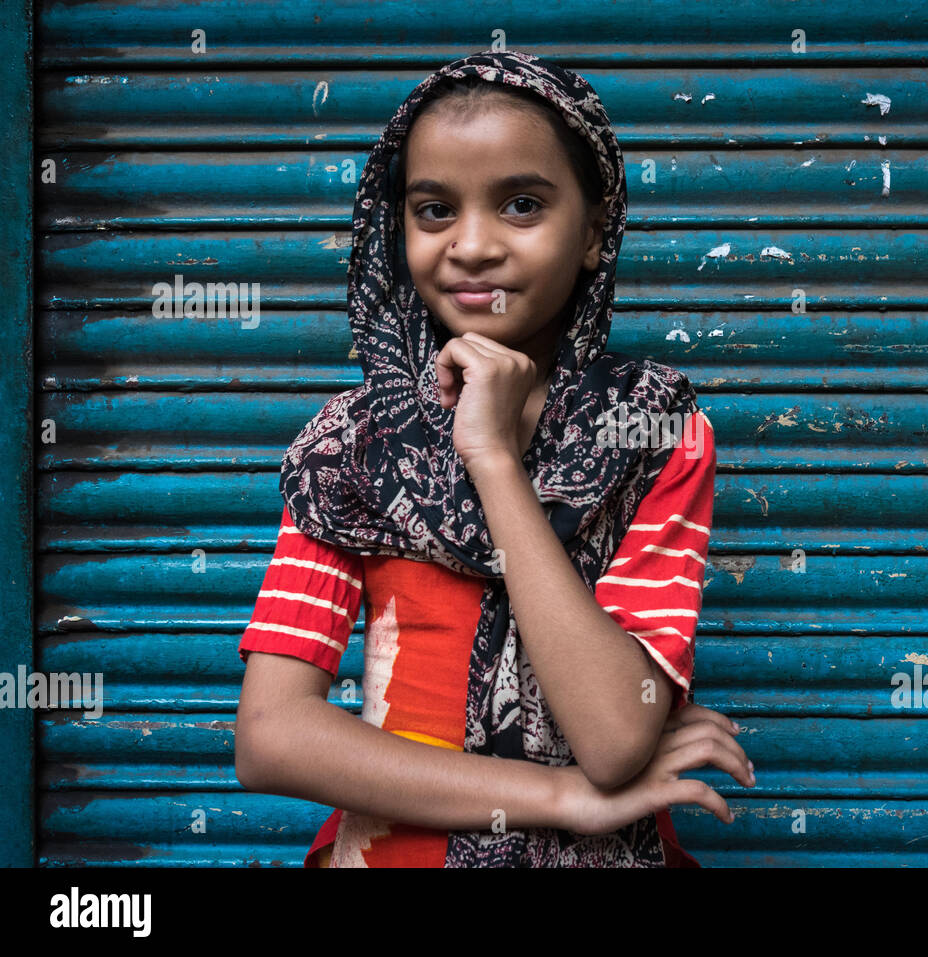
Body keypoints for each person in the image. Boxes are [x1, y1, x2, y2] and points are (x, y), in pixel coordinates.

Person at [233, 49, 755, 867]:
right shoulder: (352, 446)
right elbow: (272, 735)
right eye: (434, 210)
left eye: (520, 204)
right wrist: (557, 796)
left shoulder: (652, 432)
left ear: (593, 231)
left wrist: (493, 458)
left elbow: (617, 737)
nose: (471, 246)